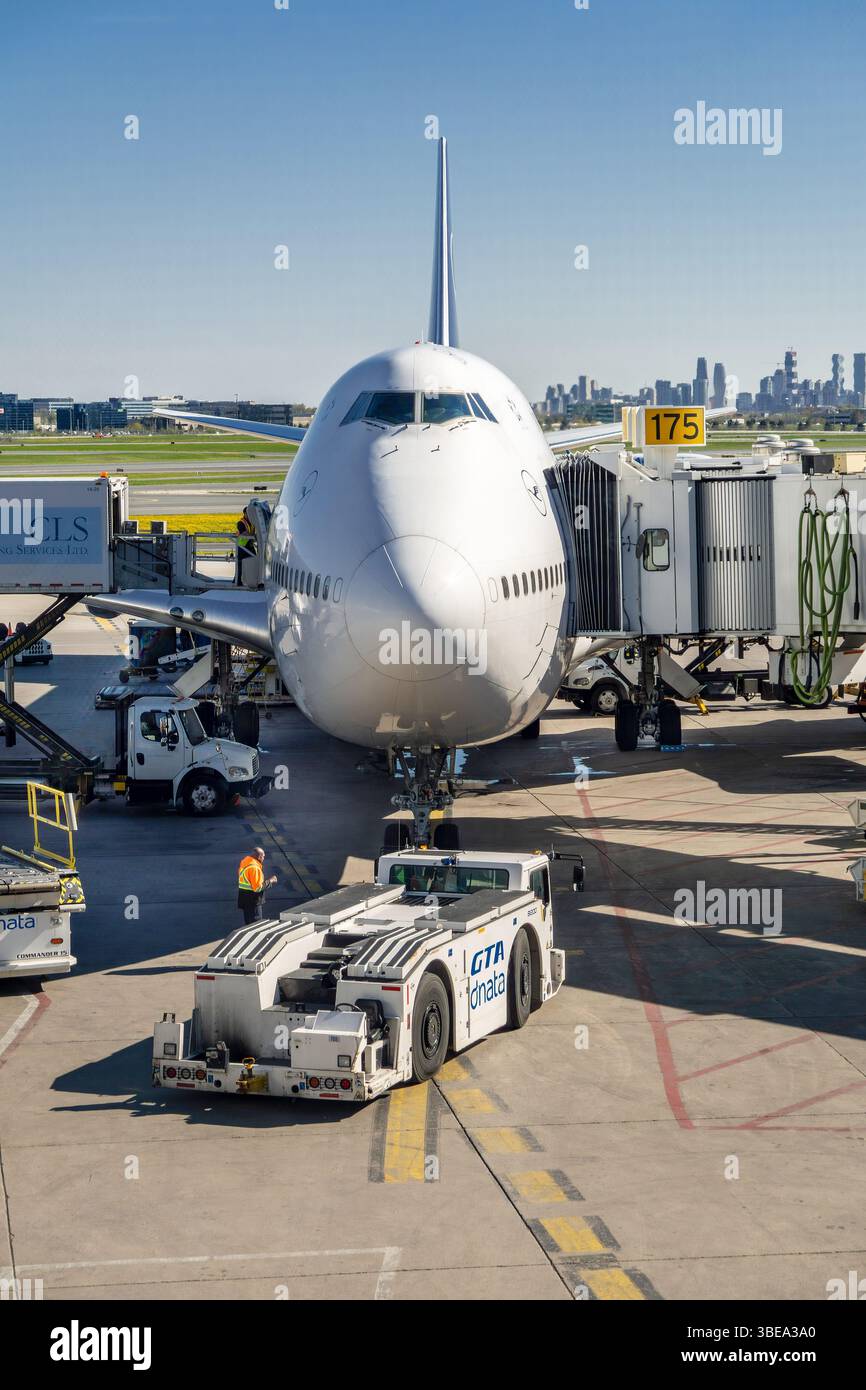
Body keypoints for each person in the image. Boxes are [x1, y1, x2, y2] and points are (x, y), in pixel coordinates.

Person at [237, 846, 277, 924]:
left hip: (244, 898)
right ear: (259, 856)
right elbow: (258, 888)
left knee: (248, 923)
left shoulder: (245, 861)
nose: (264, 858)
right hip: (253, 901)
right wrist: (271, 880)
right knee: (255, 924)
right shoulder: (254, 868)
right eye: (263, 856)